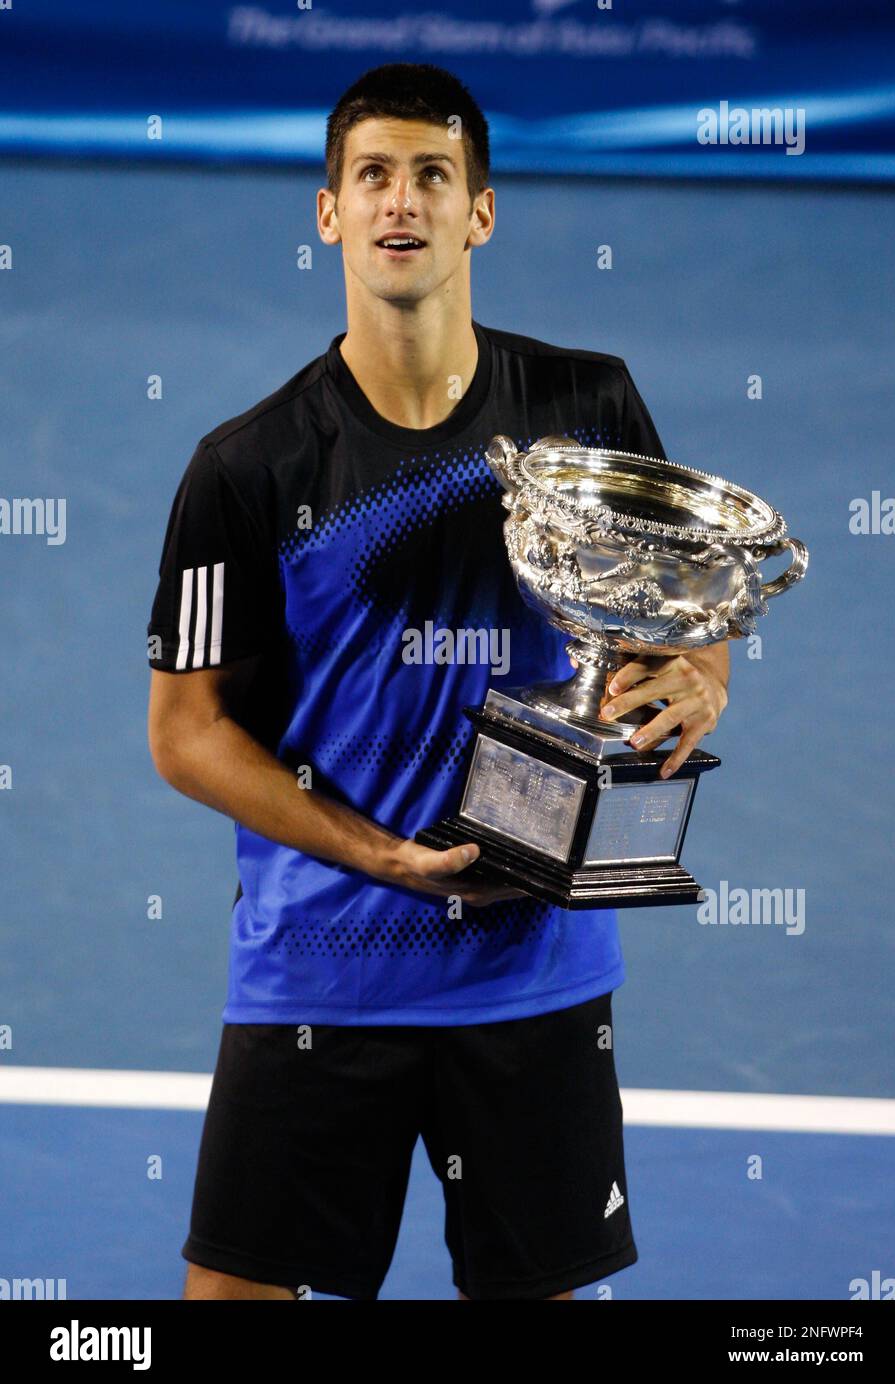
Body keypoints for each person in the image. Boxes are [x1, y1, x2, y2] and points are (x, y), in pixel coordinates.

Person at [146, 61, 729, 1302]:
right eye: (372, 176)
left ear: (480, 211)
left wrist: (698, 675)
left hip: (530, 971)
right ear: (329, 212)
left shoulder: (586, 405)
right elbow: (187, 732)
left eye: (431, 175)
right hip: (323, 967)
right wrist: (370, 851)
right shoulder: (243, 468)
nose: (399, 201)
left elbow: (678, 600)